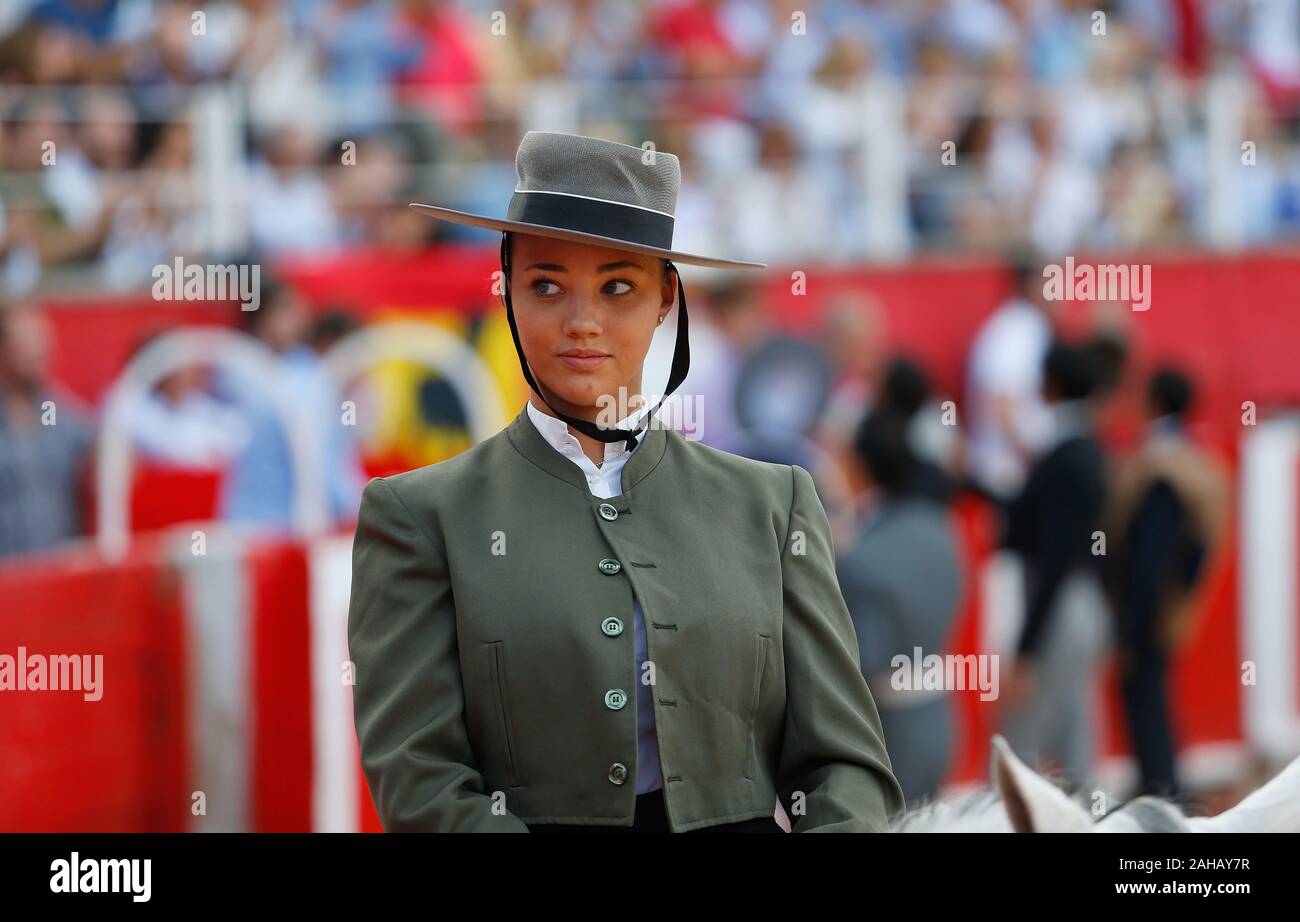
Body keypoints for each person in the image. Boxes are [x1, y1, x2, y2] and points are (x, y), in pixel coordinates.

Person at [347, 130, 905, 832]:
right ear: (508, 290)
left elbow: (844, 764)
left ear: (666, 298)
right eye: (547, 285)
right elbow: (420, 779)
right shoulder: (419, 517)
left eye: (618, 288)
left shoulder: (773, 504)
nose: (583, 324)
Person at [1103, 367, 1229, 800]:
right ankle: (1166, 792)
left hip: (1147, 610)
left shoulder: (1158, 469)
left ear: (1153, 402)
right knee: (1154, 702)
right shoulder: (1190, 460)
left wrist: (1130, 629)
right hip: (1169, 604)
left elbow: (1148, 560)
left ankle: (1164, 799)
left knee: (1147, 706)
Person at [837, 405, 964, 804]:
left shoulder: (861, 559)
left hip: (890, 733)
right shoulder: (940, 528)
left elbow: (860, 664)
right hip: (941, 717)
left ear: (859, 468)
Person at [998, 340, 1112, 786]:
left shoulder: (1066, 457)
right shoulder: (1085, 450)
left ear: (1052, 384)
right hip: (1083, 604)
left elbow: (1053, 559)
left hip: (1059, 607)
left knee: (1023, 737)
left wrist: (1025, 650)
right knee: (1073, 738)